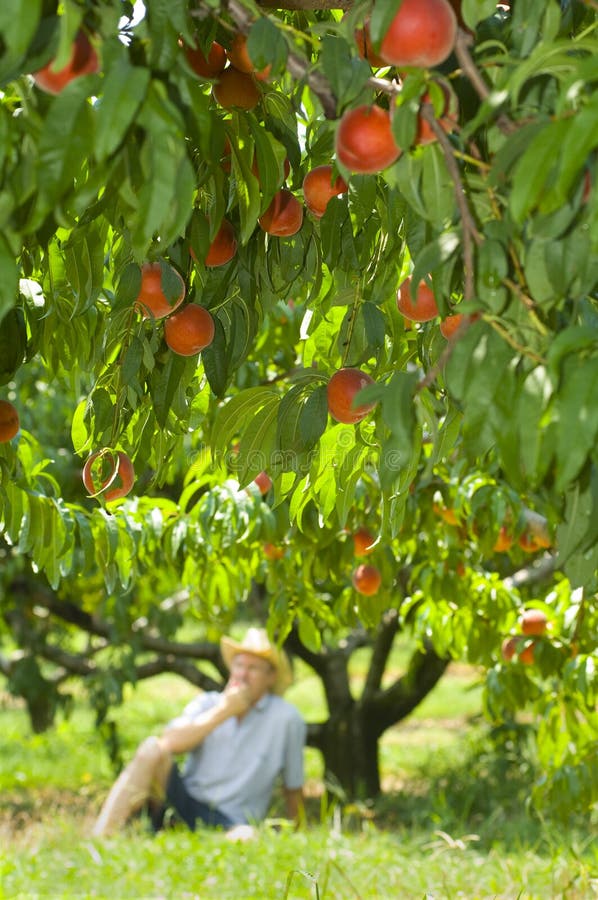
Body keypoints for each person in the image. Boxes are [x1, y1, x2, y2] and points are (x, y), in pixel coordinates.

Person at [91, 628, 306, 839]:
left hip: (231, 820)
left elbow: (293, 786)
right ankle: (102, 836)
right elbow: (168, 743)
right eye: (239, 665)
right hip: (185, 802)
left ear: (271, 677)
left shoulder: (287, 719)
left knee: (247, 836)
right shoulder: (209, 703)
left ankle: (202, 838)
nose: (243, 674)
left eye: (253, 668)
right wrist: (223, 712)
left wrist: (298, 833)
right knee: (151, 748)